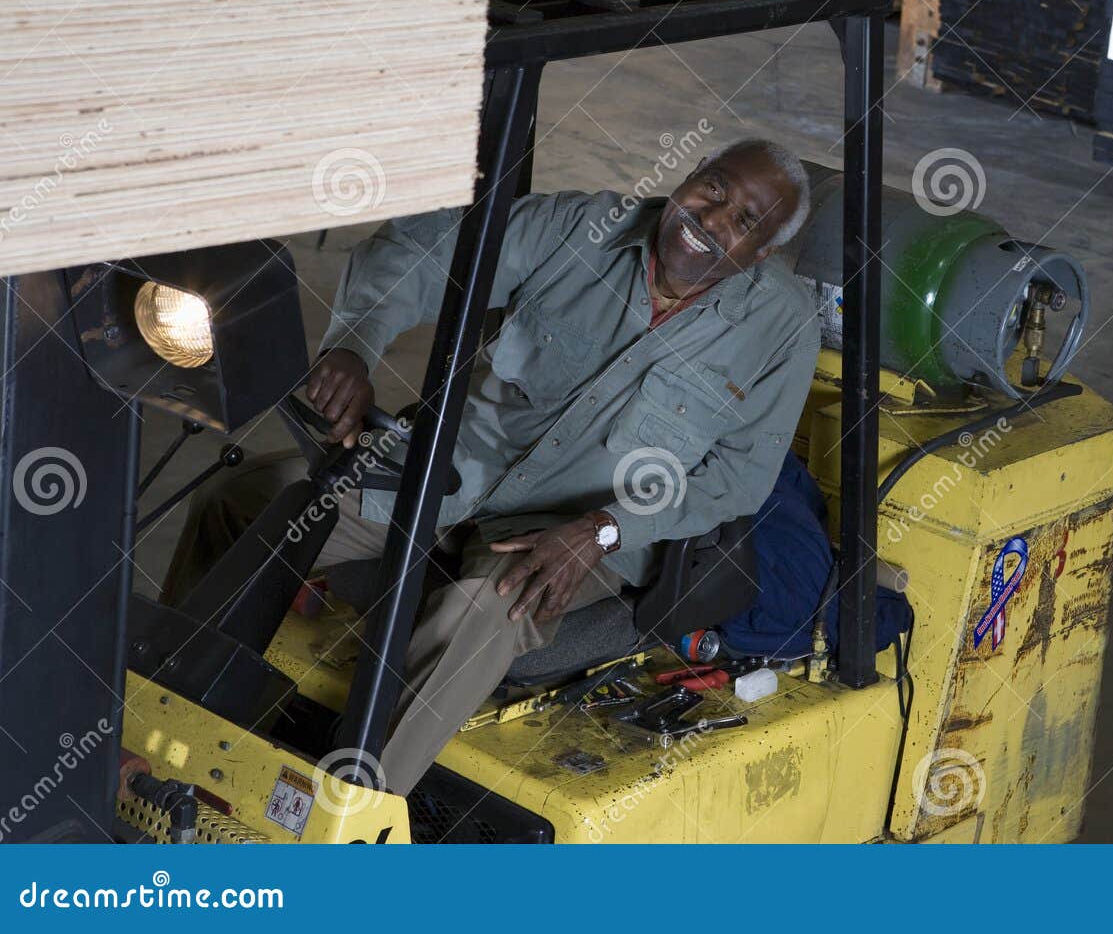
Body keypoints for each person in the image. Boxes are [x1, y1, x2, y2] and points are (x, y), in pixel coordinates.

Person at [160, 138, 821, 795]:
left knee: (480, 610)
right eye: (714, 190)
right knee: (249, 497)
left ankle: (346, 819)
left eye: (744, 222)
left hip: (578, 528)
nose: (711, 220)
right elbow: (426, 252)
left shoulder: (781, 327)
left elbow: (739, 475)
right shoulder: (582, 227)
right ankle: (168, 727)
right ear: (693, 174)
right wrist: (357, 347)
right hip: (452, 474)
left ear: (760, 256)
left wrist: (605, 530)